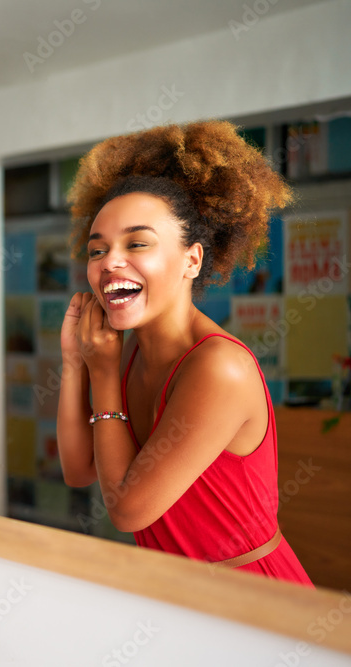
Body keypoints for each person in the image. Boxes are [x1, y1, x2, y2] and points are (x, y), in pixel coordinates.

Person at [57, 121, 312, 586]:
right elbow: (78, 471)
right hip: (177, 595)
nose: (110, 261)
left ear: (192, 260)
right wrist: (76, 361)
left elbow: (129, 511)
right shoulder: (125, 354)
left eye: (137, 243)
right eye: (98, 250)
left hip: (256, 598)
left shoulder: (219, 367)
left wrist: (104, 372)